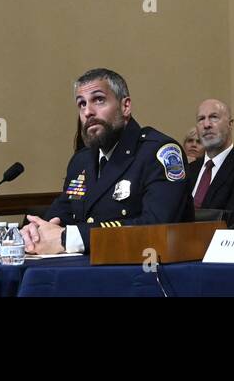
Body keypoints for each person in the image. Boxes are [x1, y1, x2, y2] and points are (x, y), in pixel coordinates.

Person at [21, 68, 191, 255]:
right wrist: (35, 232)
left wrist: (73, 238)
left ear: (125, 106)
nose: (88, 112)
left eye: (98, 100)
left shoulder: (158, 153)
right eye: (81, 104)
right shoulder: (82, 161)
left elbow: (157, 227)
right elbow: (62, 213)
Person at [185, 98, 234, 223]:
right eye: (201, 119)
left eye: (214, 117)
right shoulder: (189, 170)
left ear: (230, 124)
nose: (206, 125)